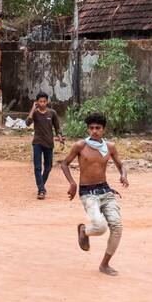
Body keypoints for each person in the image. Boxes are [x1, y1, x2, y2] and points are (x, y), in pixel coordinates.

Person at [60, 111, 128, 276]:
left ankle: (105, 264)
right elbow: (64, 163)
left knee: (117, 227)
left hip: (105, 191)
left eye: (98, 128)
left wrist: (123, 175)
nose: (94, 131)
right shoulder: (80, 146)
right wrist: (72, 183)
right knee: (100, 226)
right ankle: (84, 230)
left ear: (103, 129)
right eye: (91, 128)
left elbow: (121, 164)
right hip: (87, 193)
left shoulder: (110, 147)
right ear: (88, 129)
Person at [26, 92, 64, 199]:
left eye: (44, 101)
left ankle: (41, 185)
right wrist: (33, 109)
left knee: (48, 168)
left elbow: (57, 127)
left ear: (47, 102)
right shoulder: (35, 113)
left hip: (49, 143)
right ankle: (41, 190)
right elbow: (27, 123)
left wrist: (60, 138)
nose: (42, 103)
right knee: (37, 167)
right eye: (40, 101)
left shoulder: (52, 113)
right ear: (37, 102)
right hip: (37, 143)